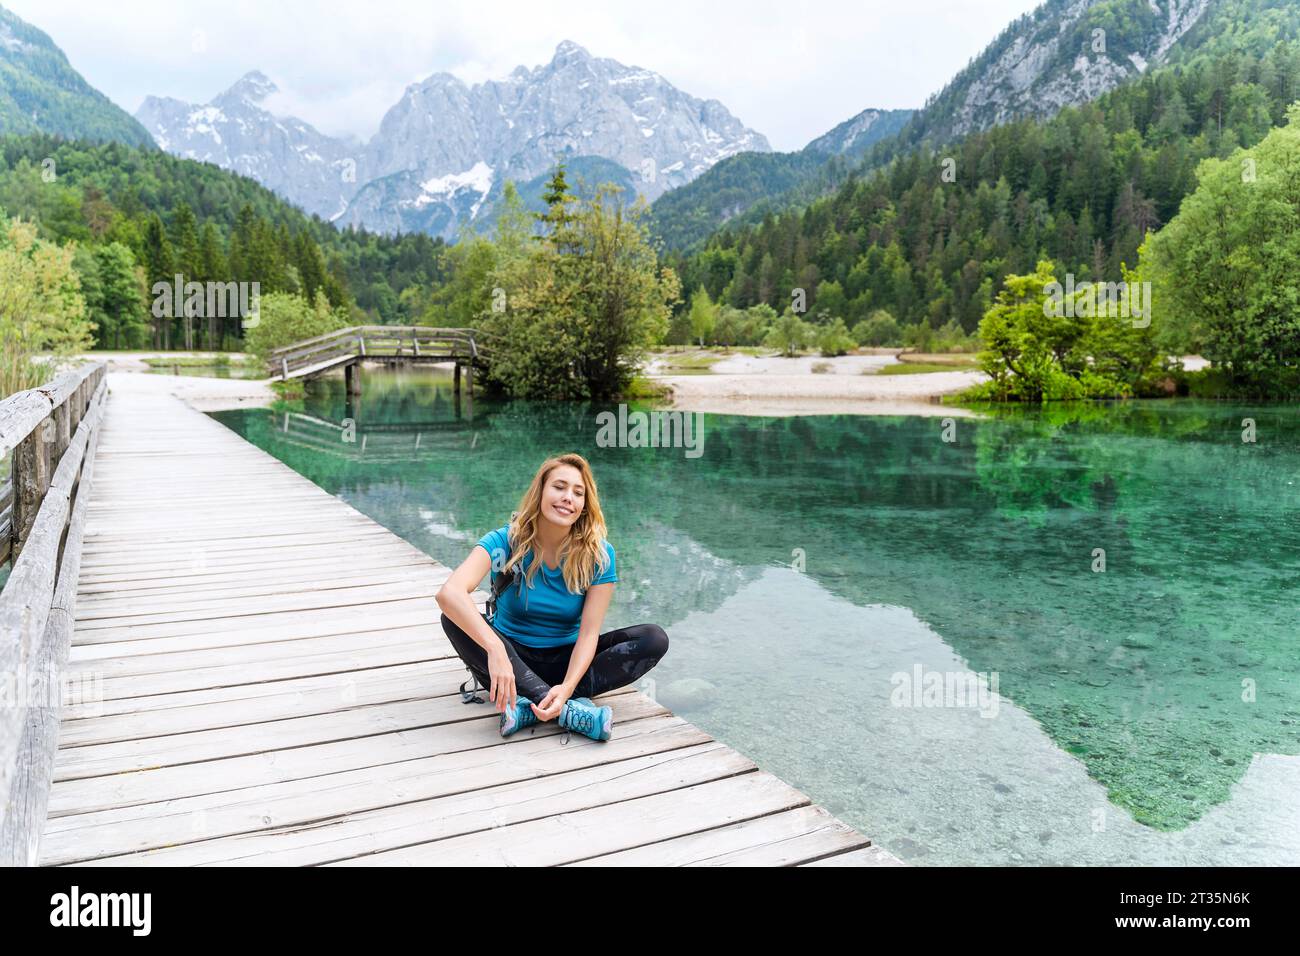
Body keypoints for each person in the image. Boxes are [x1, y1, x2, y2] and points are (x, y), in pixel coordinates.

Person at [436, 453, 669, 741]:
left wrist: (569, 686)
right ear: (541, 492)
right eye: (559, 487)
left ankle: (535, 705)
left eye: (578, 492)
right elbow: (450, 593)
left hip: (566, 662)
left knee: (653, 638)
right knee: (453, 618)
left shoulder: (600, 556)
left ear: (584, 505)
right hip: (512, 661)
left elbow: (588, 634)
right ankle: (565, 710)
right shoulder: (505, 541)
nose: (568, 497)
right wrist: (495, 650)